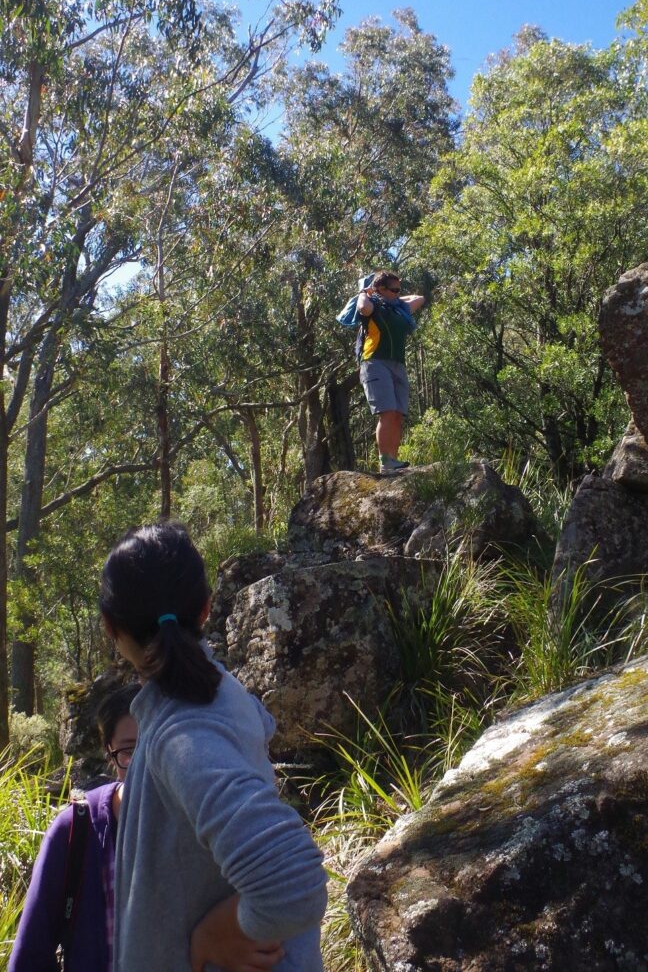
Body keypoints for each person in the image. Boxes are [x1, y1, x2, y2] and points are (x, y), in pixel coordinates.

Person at [98, 520, 327, 972]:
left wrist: (220, 932)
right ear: (205, 609)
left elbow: (293, 883)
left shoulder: (181, 731)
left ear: (111, 627)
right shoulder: (215, 698)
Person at [9, 683, 140, 972]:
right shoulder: (75, 830)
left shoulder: (201, 829)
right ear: (110, 752)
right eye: (129, 751)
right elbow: (30, 955)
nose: (144, 764)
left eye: (155, 746)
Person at [356, 269, 425, 473]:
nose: (398, 293)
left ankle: (393, 460)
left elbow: (419, 298)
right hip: (375, 362)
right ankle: (385, 461)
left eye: (399, 289)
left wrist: (394, 298)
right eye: (394, 289)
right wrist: (365, 292)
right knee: (386, 411)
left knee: (397, 414)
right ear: (380, 289)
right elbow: (363, 308)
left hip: (398, 365)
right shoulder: (372, 306)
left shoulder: (399, 309)